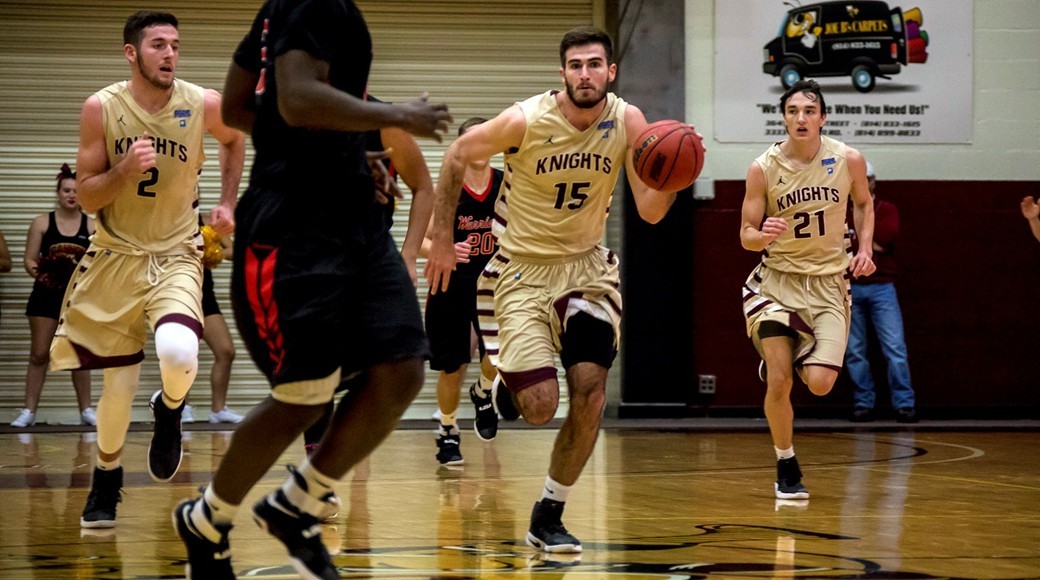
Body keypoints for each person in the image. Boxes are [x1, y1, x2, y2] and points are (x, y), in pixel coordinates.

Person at [170, 1, 451, 578]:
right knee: (304, 398)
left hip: (355, 223)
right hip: (293, 231)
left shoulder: (293, 8)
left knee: (403, 365)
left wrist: (345, 151)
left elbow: (248, 107)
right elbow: (291, 100)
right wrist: (399, 114)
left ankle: (297, 503)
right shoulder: (308, 0)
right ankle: (207, 517)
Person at [426, 26, 684, 553]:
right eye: (575, 65)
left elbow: (650, 211)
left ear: (611, 72)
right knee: (540, 407)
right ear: (562, 72)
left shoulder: (628, 121)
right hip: (521, 270)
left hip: (587, 269)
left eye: (594, 64)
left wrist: (676, 176)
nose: (584, 74)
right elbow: (456, 154)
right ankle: (501, 390)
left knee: (590, 390)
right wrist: (444, 240)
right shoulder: (526, 118)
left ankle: (549, 513)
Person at [53, 10, 245, 529]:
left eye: (175, 45)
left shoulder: (203, 103)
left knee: (180, 349)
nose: (170, 54)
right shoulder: (101, 108)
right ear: (132, 53)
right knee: (117, 387)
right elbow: (89, 197)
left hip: (178, 252)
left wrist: (226, 202)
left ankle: (170, 409)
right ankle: (106, 479)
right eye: (158, 44)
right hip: (116, 255)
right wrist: (123, 170)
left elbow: (234, 139)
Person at [739, 79, 875, 500]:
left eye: (809, 111)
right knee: (779, 381)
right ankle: (786, 464)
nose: (801, 118)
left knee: (818, 383)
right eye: (793, 110)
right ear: (784, 117)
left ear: (822, 118)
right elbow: (745, 234)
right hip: (776, 283)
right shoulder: (763, 167)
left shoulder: (847, 159)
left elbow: (864, 204)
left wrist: (865, 248)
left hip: (830, 284)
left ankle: (790, 353)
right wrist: (762, 236)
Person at [424, 117, 503, 466]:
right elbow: (424, 240)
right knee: (451, 366)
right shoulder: (448, 187)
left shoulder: (506, 185)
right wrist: (442, 249)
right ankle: (448, 430)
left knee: (501, 356)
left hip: (495, 281)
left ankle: (483, 393)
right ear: (461, 148)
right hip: (451, 283)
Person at [13, 163, 96, 429]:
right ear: (58, 193)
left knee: (77, 356)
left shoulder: (93, 225)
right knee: (39, 353)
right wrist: (43, 275)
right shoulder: (41, 222)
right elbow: (28, 259)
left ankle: (86, 410)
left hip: (78, 299)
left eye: (76, 191)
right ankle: (29, 411)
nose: (71, 195)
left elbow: (98, 264)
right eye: (66, 190)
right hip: (45, 297)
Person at [845, 162, 917, 423]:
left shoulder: (886, 209)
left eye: (867, 179)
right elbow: (837, 248)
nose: (863, 183)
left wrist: (858, 243)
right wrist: (866, 243)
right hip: (849, 289)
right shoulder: (840, 212)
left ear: (874, 182)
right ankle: (864, 403)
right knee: (854, 350)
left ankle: (904, 404)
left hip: (882, 287)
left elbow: (886, 239)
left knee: (895, 347)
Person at [182, 217, 243, 425]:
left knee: (226, 350)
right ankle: (181, 406)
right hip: (178, 293)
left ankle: (218, 409)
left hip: (204, 295)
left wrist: (211, 253)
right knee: (183, 353)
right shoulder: (168, 218)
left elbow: (233, 251)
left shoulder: (209, 222)